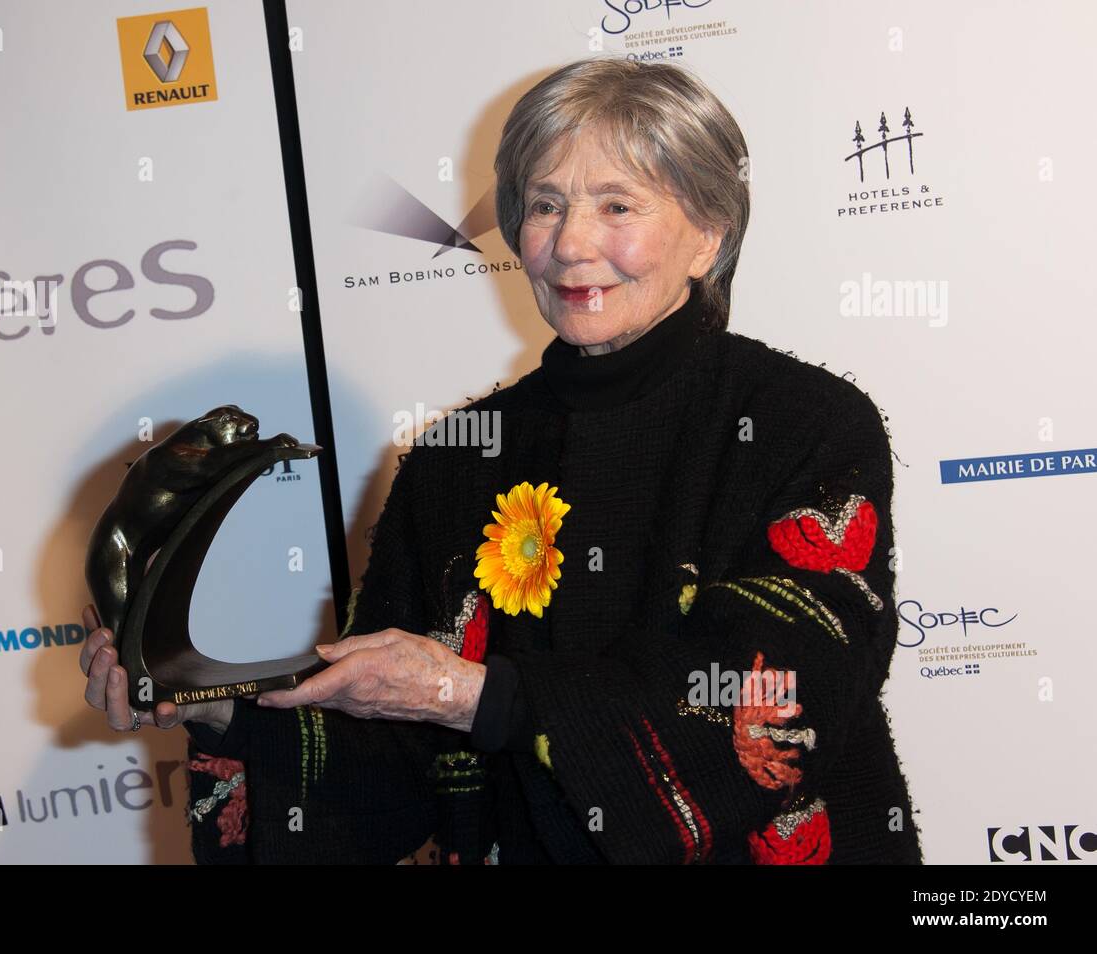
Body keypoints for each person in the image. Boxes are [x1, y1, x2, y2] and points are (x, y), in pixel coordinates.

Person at [80, 56, 923, 864]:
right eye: (545, 203)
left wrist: (475, 695)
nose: (570, 243)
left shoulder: (804, 425)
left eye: (617, 207)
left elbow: (771, 698)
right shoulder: (455, 458)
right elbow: (392, 760)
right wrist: (216, 704)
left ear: (708, 235)